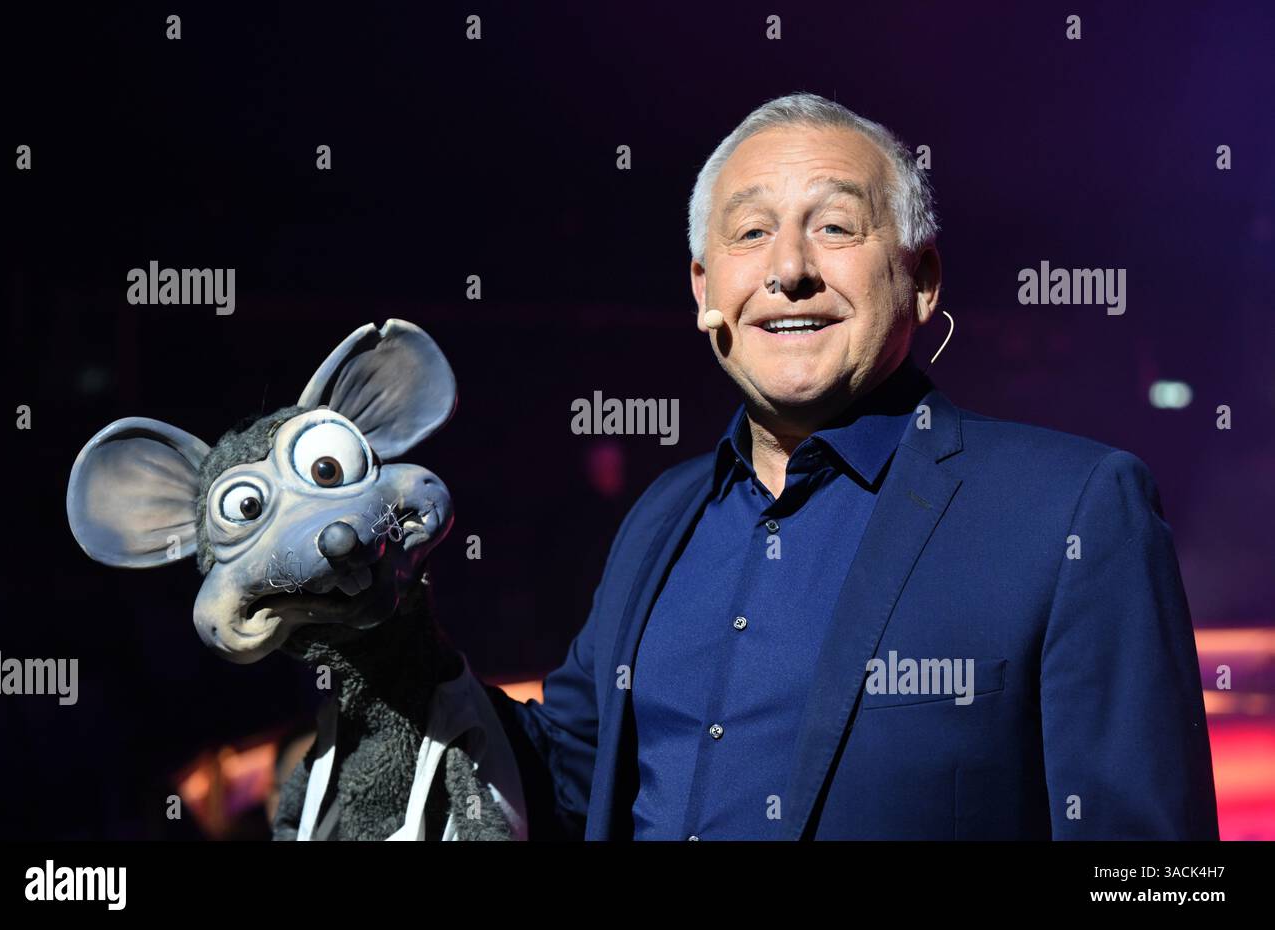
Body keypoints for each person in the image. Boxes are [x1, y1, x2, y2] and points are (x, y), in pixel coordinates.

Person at [488, 92, 1219, 840]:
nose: (789, 270)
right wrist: (389, 632)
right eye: (750, 232)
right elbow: (566, 774)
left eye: (835, 227)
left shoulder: (1072, 511)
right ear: (705, 289)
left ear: (923, 279)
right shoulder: (662, 517)